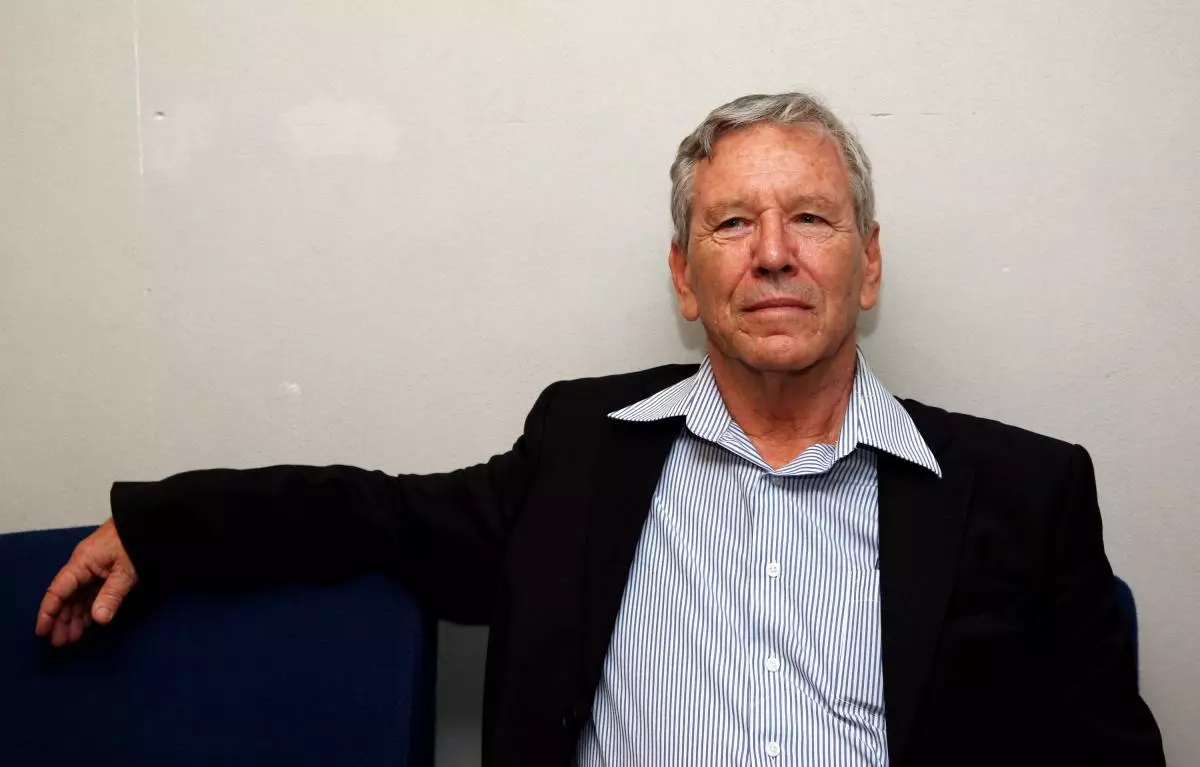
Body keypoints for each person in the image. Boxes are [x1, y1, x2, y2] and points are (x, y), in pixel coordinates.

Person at [34, 92, 1163, 767]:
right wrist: (163, 525)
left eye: (811, 218)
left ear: (868, 264)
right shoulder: (584, 449)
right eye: (733, 222)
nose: (774, 251)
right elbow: (372, 512)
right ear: (686, 274)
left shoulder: (1028, 489)